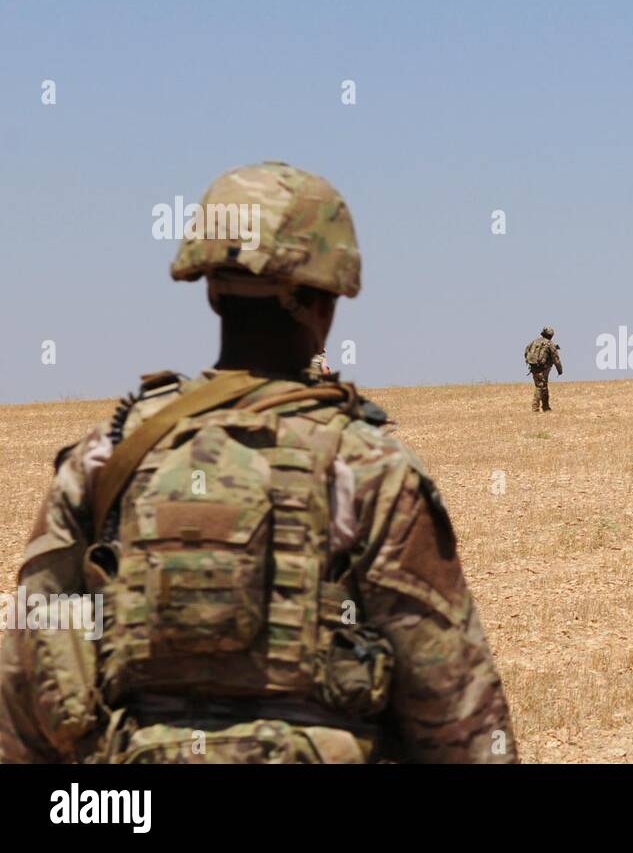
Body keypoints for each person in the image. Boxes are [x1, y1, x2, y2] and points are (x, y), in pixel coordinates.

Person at [0, 161, 515, 764]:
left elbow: (26, 677)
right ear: (325, 297)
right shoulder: (366, 463)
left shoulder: (108, 454)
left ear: (212, 288)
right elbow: (454, 706)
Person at [524, 327, 562, 412]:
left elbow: (526, 352)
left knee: (543, 386)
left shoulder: (534, 341)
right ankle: (535, 408)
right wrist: (560, 370)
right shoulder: (549, 344)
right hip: (543, 368)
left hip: (533, 368)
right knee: (540, 386)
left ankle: (546, 407)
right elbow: (556, 358)